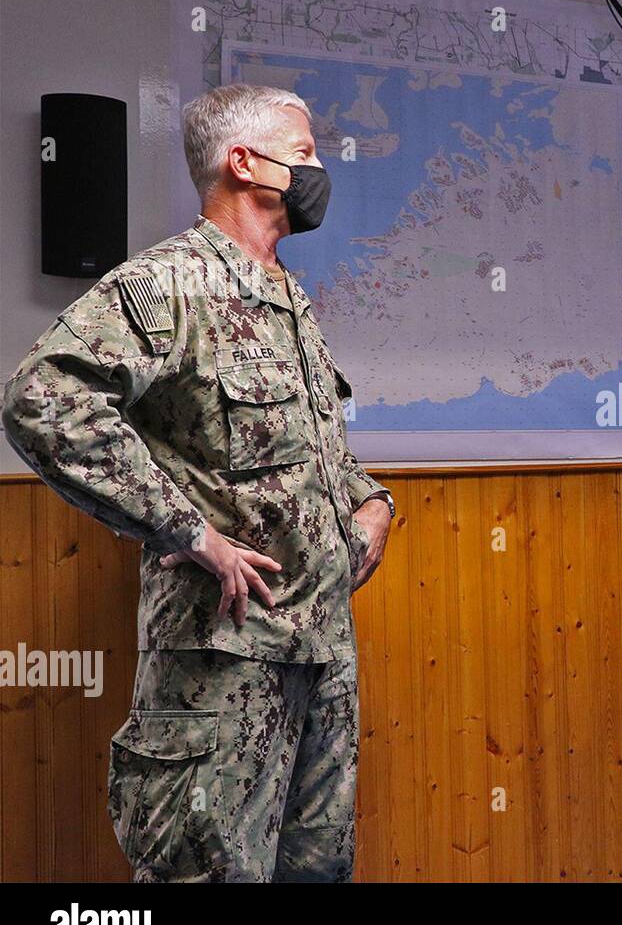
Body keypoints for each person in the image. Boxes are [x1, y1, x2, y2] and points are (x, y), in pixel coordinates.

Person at [2, 82, 394, 882]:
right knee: (207, 874)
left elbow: (308, 444)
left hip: (320, 652)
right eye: (306, 150)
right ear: (243, 162)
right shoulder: (169, 284)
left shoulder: (289, 298)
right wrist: (187, 530)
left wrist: (372, 500)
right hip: (224, 659)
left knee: (317, 871)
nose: (321, 166)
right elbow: (42, 399)